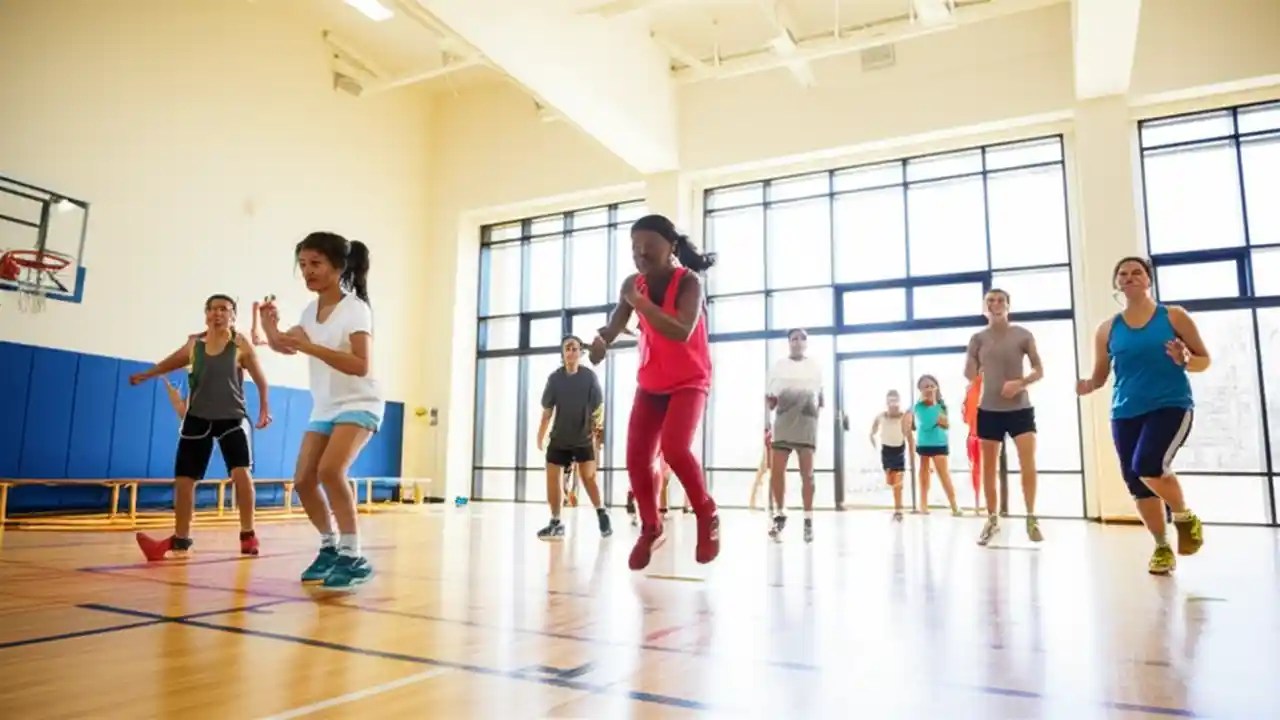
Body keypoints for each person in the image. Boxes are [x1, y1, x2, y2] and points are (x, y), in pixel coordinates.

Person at [588, 213, 719, 571]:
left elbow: (680, 330)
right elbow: (615, 325)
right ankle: (651, 525)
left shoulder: (689, 283)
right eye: (635, 248)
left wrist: (639, 302)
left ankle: (706, 512)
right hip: (651, 383)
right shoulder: (634, 284)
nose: (640, 254)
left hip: (689, 380)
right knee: (636, 459)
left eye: (648, 247)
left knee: (675, 448)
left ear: (671, 248)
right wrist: (602, 341)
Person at [260, 231, 382, 590]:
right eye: (302, 265)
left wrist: (311, 348)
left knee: (331, 470)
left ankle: (353, 554)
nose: (308, 271)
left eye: (315, 263)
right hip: (326, 405)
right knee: (303, 479)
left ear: (338, 266)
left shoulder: (356, 309)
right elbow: (285, 345)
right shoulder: (309, 311)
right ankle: (330, 547)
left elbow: (361, 364)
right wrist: (270, 327)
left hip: (361, 402)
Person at [1077, 256, 1207, 575]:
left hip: (1170, 404)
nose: (1129, 277)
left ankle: (1183, 516)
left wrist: (1184, 357)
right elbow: (1101, 375)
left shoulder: (1174, 316)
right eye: (1123, 274)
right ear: (1117, 284)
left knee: (1148, 464)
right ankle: (1162, 546)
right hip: (1124, 412)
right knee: (1138, 483)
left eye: (1137, 272)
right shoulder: (1107, 329)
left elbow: (1203, 360)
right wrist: (1088, 385)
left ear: (1148, 280)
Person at [130, 294, 271, 560]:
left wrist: (264, 407)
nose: (217, 313)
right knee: (184, 480)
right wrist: (147, 374)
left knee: (241, 474)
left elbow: (261, 380)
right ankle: (181, 540)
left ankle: (248, 534)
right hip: (197, 418)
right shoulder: (194, 344)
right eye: (212, 309)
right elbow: (170, 362)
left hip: (232, 418)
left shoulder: (240, 344)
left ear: (233, 315)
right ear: (206, 314)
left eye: (224, 309)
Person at [965, 288, 1044, 547]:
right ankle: (992, 519)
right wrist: (971, 354)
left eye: (1000, 301)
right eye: (990, 301)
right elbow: (970, 374)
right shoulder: (978, 338)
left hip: (1020, 408)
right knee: (989, 467)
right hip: (989, 409)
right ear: (984, 308)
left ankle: (1031, 517)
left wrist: (1020, 384)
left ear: (1008, 306)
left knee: (1027, 463)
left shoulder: (1022, 335)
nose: (995, 304)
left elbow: (1039, 369)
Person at [535, 335, 611, 540]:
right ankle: (556, 521)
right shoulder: (555, 379)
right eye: (567, 348)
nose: (571, 352)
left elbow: (598, 410)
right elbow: (547, 411)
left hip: (583, 438)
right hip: (560, 437)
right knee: (553, 476)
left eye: (574, 348)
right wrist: (540, 436)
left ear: (580, 352)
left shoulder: (589, 378)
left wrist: (599, 436)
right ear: (562, 354)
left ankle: (602, 513)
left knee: (589, 478)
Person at [765, 328, 824, 543]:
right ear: (789, 342)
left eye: (801, 339)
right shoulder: (779, 367)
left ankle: (808, 520)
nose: (797, 342)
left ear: (806, 343)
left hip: (807, 423)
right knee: (777, 472)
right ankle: (780, 515)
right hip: (783, 422)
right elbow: (769, 399)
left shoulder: (814, 367)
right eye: (793, 339)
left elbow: (821, 398)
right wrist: (768, 421)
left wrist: (813, 413)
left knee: (807, 474)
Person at [904, 374, 960, 515]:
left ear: (936, 388)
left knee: (944, 475)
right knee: (923, 475)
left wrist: (937, 410)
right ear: (920, 390)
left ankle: (954, 506)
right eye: (925, 387)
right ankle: (923, 506)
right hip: (923, 443)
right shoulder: (918, 406)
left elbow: (945, 424)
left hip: (939, 443)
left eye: (931, 386)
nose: (929, 389)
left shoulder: (941, 406)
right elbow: (918, 420)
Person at [870, 389, 909, 521]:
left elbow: (909, 433)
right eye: (890, 401)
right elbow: (873, 430)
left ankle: (898, 511)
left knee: (898, 483)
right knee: (891, 481)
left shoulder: (904, 416)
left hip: (899, 450)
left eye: (895, 400)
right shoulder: (881, 416)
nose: (893, 404)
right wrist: (872, 439)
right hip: (886, 451)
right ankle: (897, 505)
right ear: (887, 402)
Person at [962, 375, 983, 514]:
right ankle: (978, 502)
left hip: (981, 436)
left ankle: (979, 503)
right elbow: (965, 416)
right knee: (977, 470)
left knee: (979, 470)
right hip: (975, 436)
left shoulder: (976, 387)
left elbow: (965, 416)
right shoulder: (971, 389)